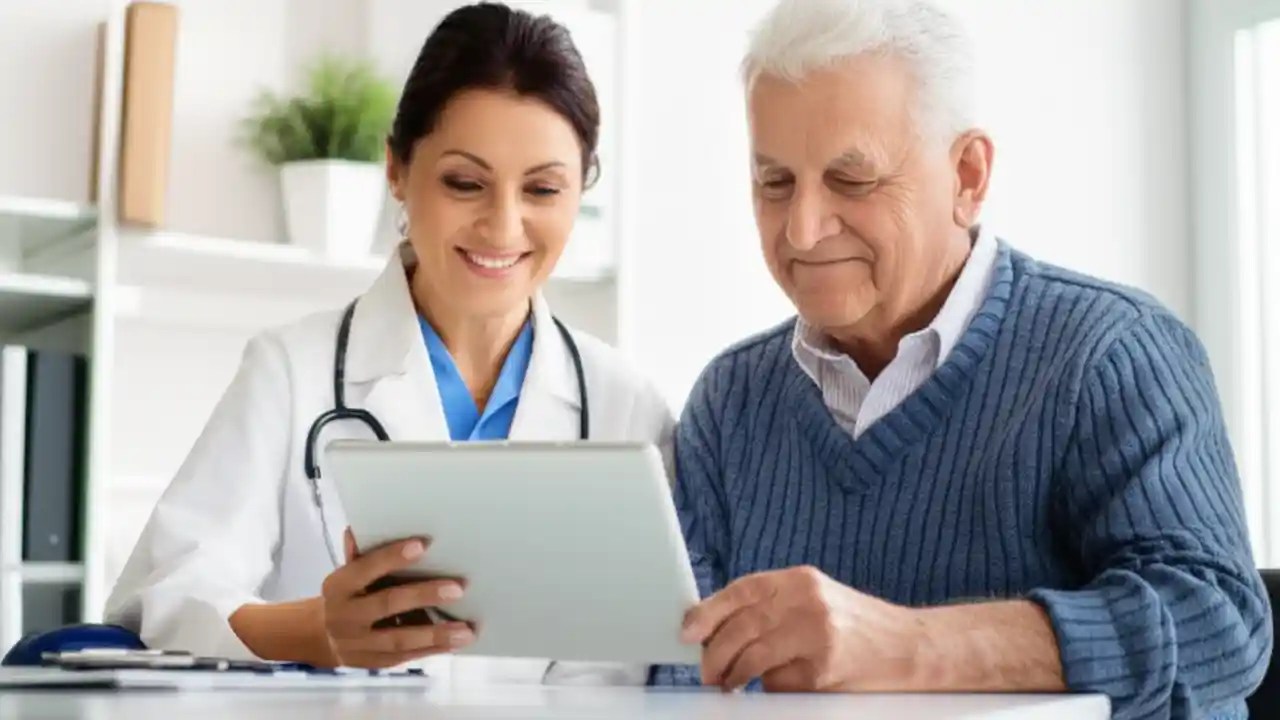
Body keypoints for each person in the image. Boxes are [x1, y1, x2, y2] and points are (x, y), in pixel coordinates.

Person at [650, 1, 1274, 718]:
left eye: (852, 180)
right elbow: (680, 674)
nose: (803, 229)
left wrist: (908, 647)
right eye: (776, 183)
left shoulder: (1110, 352)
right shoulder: (729, 402)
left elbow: (1220, 624)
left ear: (968, 177)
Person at [105, 3, 669, 687]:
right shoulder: (291, 373)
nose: (503, 225)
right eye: (465, 183)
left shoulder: (626, 409)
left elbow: (622, 673)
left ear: (582, 188)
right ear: (397, 170)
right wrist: (318, 632)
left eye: (543, 188)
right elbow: (167, 601)